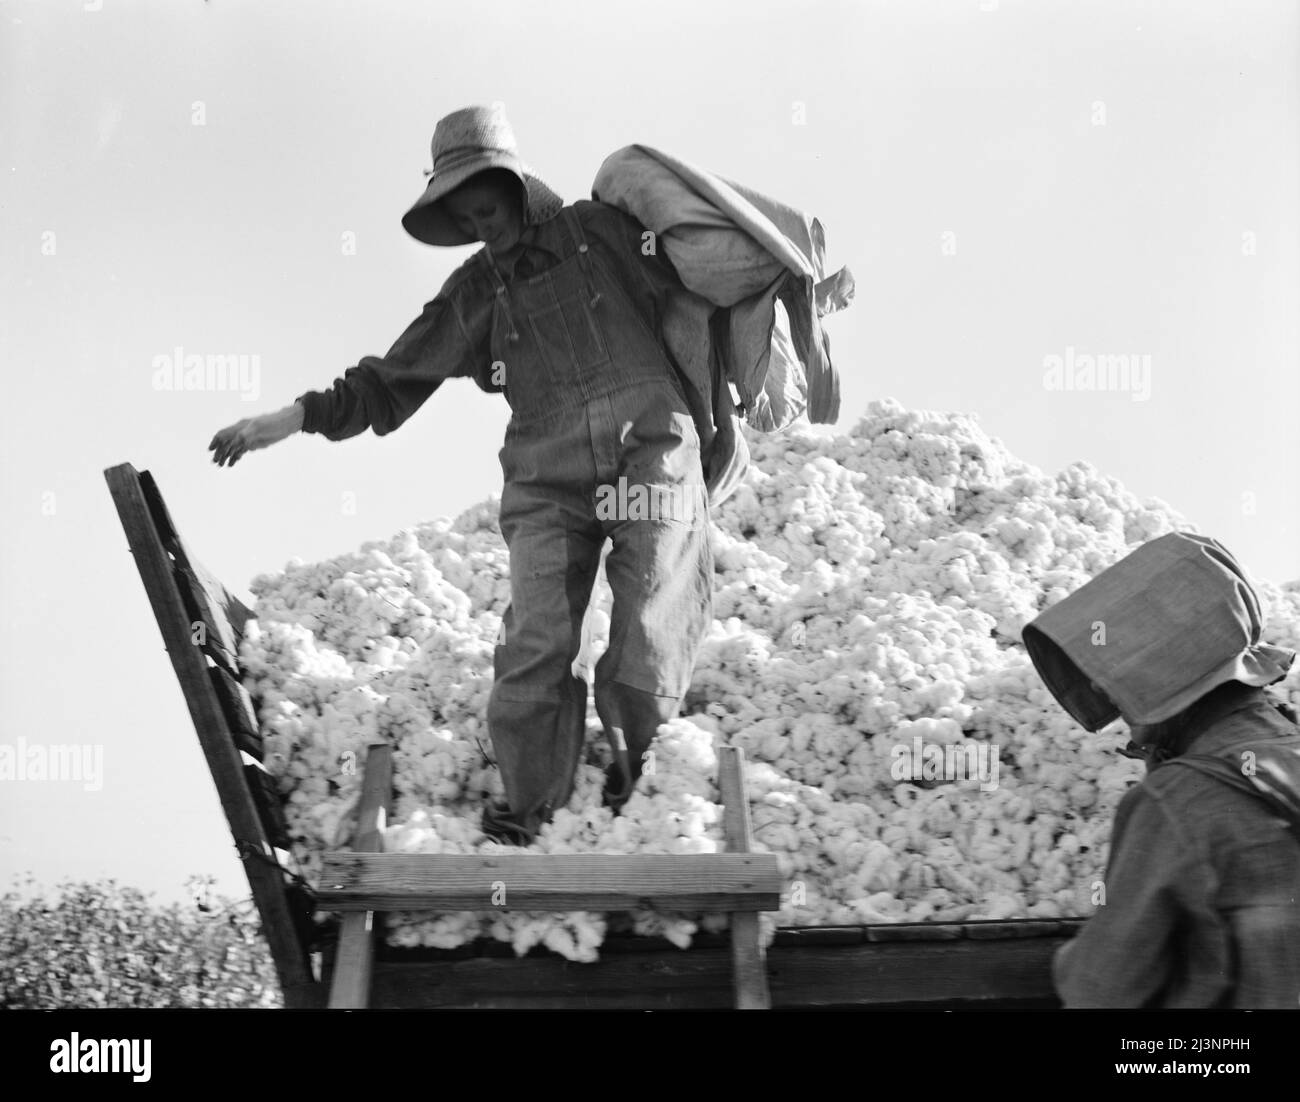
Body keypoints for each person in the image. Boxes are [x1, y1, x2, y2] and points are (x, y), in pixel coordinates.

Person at [208, 104, 714, 845]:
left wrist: (777, 290)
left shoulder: (599, 233)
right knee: (536, 642)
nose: (484, 226)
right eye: (467, 217)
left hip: (650, 446)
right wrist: (286, 420)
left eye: (488, 206)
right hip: (547, 479)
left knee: (646, 615)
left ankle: (638, 785)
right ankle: (531, 815)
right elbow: (387, 381)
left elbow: (702, 266)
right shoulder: (474, 294)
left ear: (517, 190)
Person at [1022, 531, 1300, 1008]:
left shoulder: (1173, 801)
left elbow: (1100, 989)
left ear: (1153, 679)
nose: (1115, 705)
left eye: (1116, 683)